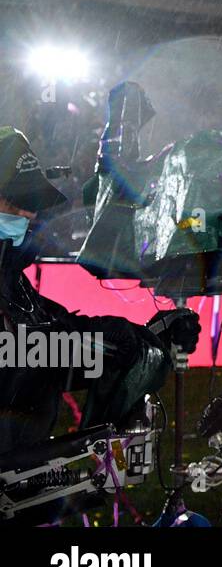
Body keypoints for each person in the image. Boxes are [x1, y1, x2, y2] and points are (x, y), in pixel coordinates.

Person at [0, 127, 198, 466]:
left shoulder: (13, 285)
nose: (28, 216)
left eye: (32, 205)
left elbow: (58, 342)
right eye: (15, 203)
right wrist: (107, 342)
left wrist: (152, 334)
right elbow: (23, 353)